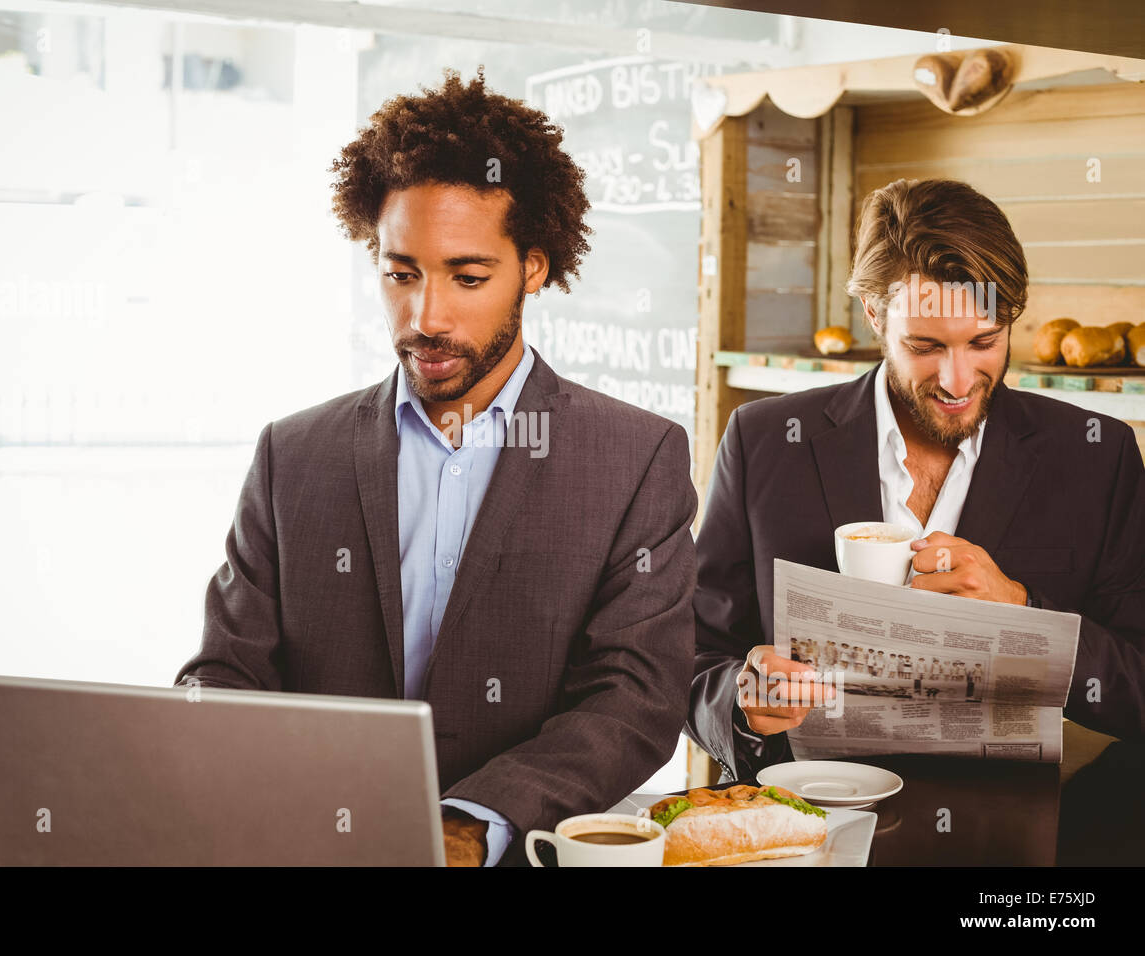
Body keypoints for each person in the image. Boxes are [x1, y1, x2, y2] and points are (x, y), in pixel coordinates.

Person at [174, 69, 698, 865]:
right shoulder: (293, 455)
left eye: (468, 276)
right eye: (401, 273)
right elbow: (225, 670)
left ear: (535, 267)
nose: (427, 318)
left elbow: (633, 699)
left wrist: (469, 823)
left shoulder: (636, 457)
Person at [687, 178, 1145, 781]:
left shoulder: (1097, 457)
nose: (957, 381)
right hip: (802, 820)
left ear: (1011, 317)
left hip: (1010, 838)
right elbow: (690, 659)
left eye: (984, 342)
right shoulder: (764, 441)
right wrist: (743, 702)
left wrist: (1023, 612)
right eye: (925, 346)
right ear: (875, 314)